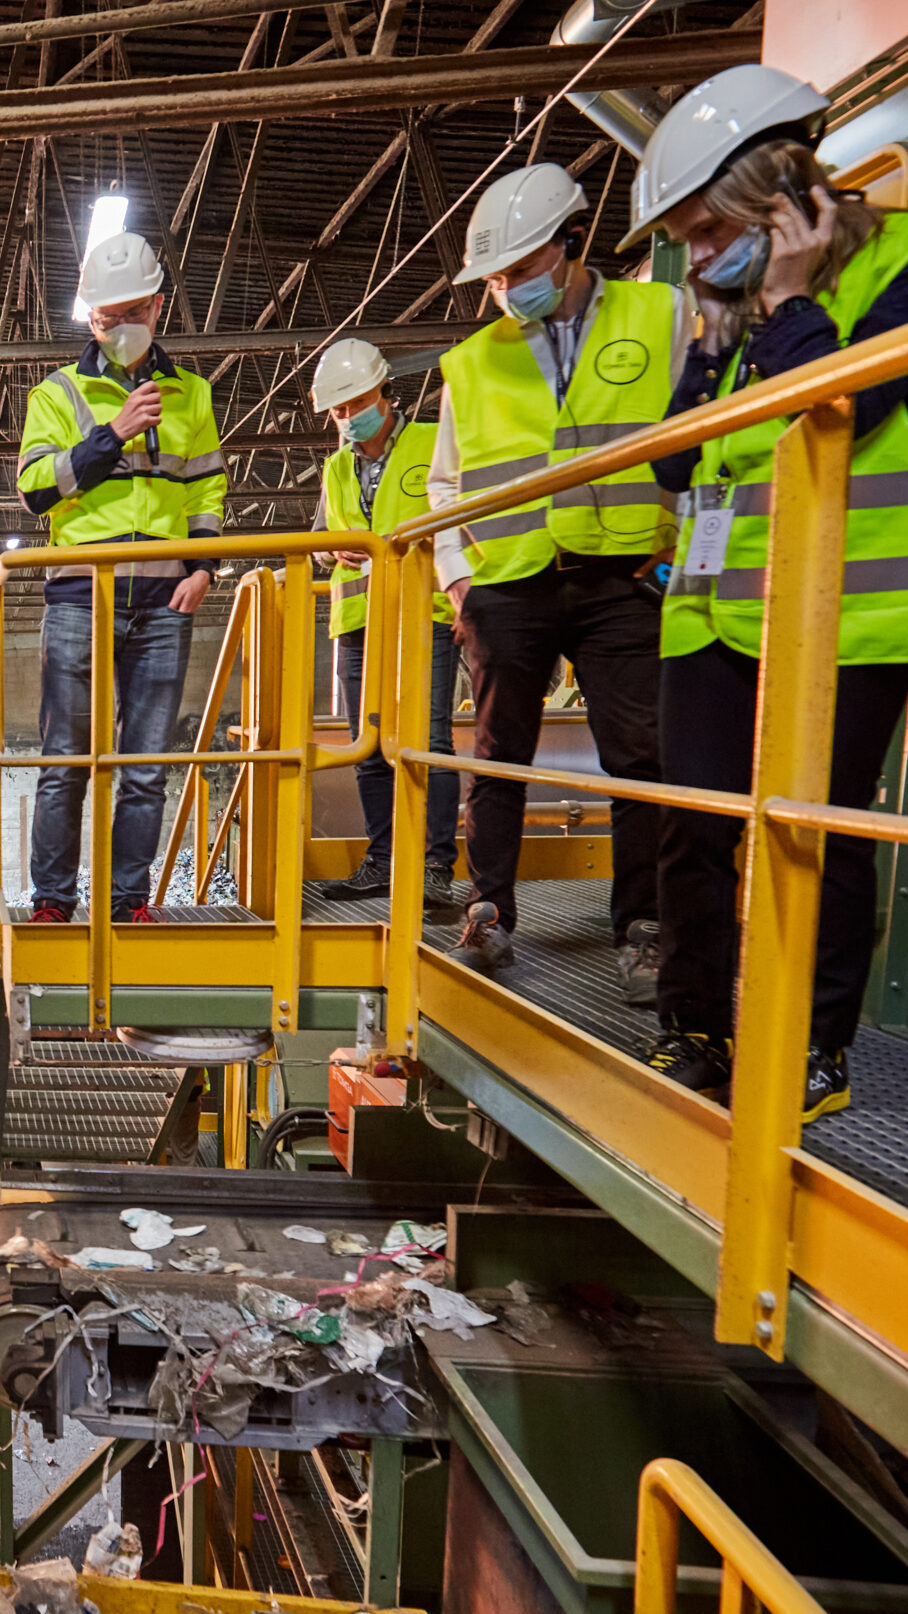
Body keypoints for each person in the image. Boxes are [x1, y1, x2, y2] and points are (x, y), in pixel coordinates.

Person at [628, 64, 908, 1119]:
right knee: (692, 824)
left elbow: (844, 408)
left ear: (781, 193)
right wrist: (708, 348)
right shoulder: (735, 316)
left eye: (707, 232)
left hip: (849, 612)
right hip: (715, 609)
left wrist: (783, 300)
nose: (699, 258)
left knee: (810, 831)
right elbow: (677, 469)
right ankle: (692, 1025)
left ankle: (810, 1050)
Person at [433, 160, 682, 1001]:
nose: (507, 289)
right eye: (496, 277)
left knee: (640, 756)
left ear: (574, 245)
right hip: (511, 582)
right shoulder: (470, 364)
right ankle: (489, 910)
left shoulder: (663, 316)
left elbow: (706, 433)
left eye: (521, 269)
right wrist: (459, 579)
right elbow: (443, 485)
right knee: (499, 755)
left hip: (625, 575)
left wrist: (678, 553)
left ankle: (643, 929)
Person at [15, 229, 226, 924]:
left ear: (158, 307)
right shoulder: (59, 392)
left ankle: (128, 901)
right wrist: (113, 433)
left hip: (165, 599)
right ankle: (52, 901)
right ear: (89, 318)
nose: (119, 331)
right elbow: (36, 488)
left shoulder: (192, 395)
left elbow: (205, 491)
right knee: (65, 762)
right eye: (106, 320)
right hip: (81, 593)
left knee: (144, 768)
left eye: (131, 315)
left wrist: (202, 567)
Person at [309, 337, 464, 917]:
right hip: (358, 622)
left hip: (426, 614)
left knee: (429, 743)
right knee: (369, 749)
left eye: (356, 403)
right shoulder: (336, 467)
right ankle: (383, 858)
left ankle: (433, 867)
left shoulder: (430, 443)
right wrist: (333, 553)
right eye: (339, 410)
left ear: (384, 392)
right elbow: (324, 538)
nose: (349, 417)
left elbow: (459, 516)